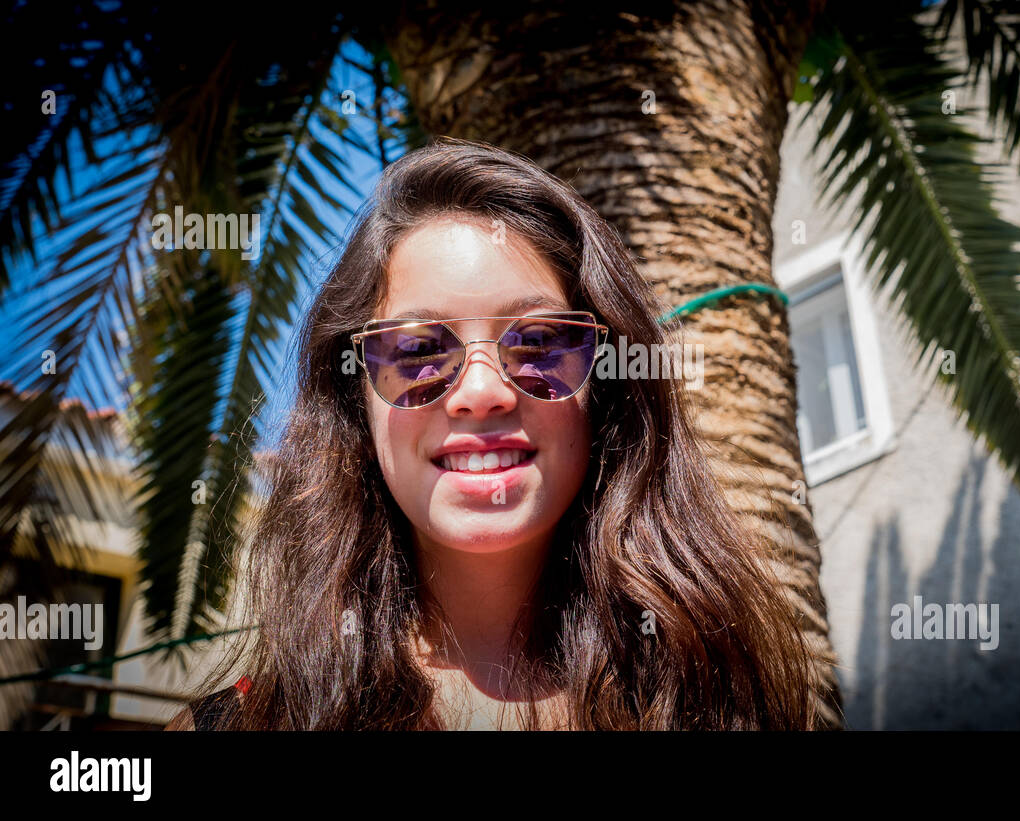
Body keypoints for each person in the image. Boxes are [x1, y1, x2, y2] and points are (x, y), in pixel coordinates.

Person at [165, 137, 817, 730]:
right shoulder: (240, 725)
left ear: (607, 392)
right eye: (417, 351)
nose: (481, 393)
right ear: (354, 402)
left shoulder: (726, 705)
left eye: (538, 342)